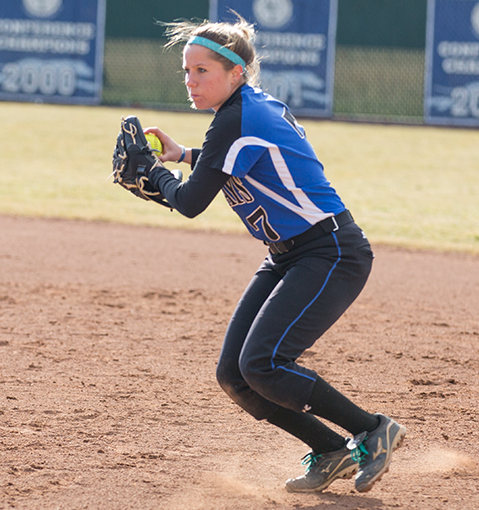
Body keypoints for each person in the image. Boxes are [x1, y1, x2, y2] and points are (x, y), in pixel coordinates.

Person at [141, 16, 406, 493]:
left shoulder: (237, 118)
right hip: (290, 253)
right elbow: (236, 162)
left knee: (263, 363)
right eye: (187, 71)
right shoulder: (241, 114)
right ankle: (330, 451)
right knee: (235, 374)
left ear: (236, 73)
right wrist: (180, 157)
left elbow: (191, 202)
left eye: (202, 70)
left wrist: (153, 176)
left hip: (330, 252)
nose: (190, 81)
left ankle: (372, 428)